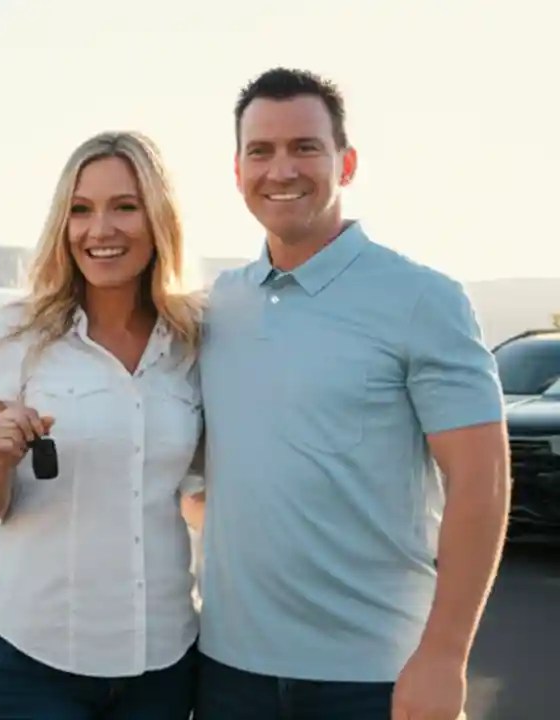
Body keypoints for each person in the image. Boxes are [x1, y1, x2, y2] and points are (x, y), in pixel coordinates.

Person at [191, 67, 510, 720]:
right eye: (261, 151)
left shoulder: (422, 299)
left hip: (374, 677)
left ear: (347, 162)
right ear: (238, 171)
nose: (282, 169)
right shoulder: (217, 307)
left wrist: (445, 656)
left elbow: (483, 482)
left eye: (305, 147)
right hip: (226, 674)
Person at [0, 130, 205, 720]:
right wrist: (0, 461)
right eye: (81, 210)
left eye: (125, 207)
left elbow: (203, 495)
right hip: (35, 663)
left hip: (163, 662)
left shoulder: (192, 341)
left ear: (159, 218)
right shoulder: (14, 333)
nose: (99, 230)